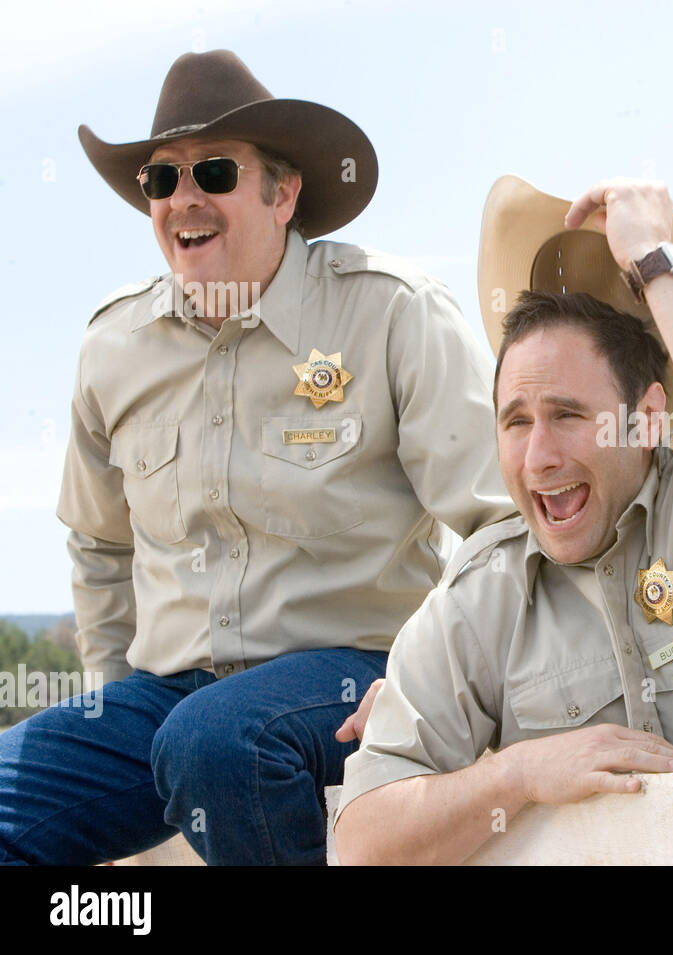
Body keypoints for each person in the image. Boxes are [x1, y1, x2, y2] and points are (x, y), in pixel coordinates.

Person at [0, 50, 512, 865]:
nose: (183, 199)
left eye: (211, 171)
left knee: (218, 742)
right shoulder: (112, 348)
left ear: (284, 193)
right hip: (168, 699)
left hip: (352, 680)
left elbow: (498, 526)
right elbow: (99, 546)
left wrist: (434, 688)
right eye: (161, 181)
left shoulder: (395, 316)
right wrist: (106, 696)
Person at [333, 176, 673, 864]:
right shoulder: (481, 592)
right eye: (516, 421)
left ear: (647, 418)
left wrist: (652, 260)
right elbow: (363, 841)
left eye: (567, 415)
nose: (538, 456)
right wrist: (517, 772)